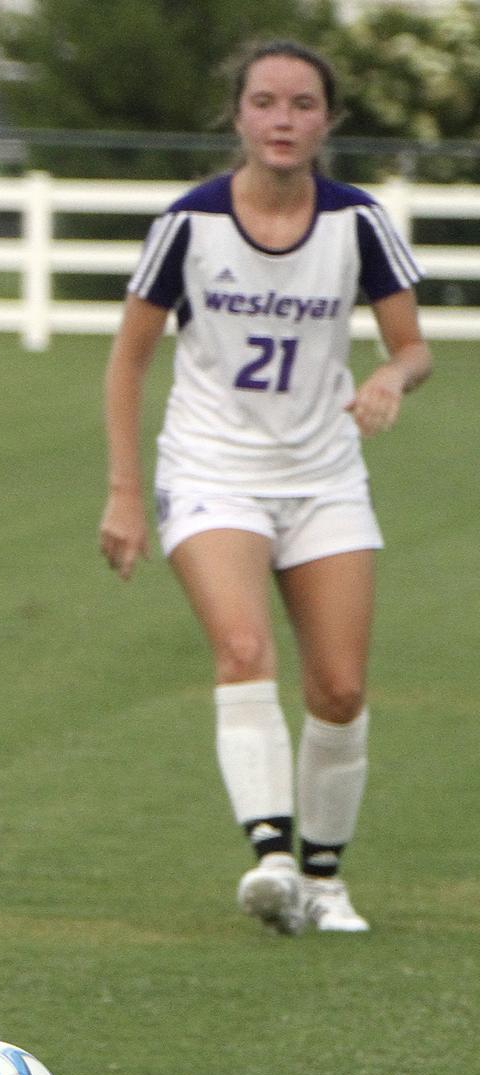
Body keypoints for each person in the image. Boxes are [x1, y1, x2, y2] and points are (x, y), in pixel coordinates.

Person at [99, 41, 432, 936]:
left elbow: (412, 346)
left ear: (329, 119)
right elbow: (128, 361)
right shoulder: (190, 223)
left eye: (303, 104)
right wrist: (125, 491)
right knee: (243, 647)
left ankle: (324, 880)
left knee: (340, 688)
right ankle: (274, 861)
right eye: (266, 102)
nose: (283, 120)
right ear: (238, 114)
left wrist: (390, 377)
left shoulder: (358, 222)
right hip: (212, 470)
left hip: (325, 475)